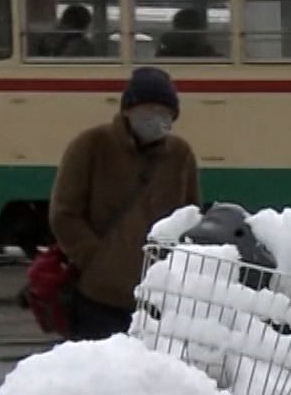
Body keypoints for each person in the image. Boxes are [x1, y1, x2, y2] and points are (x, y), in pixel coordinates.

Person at [49, 67, 202, 341]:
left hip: (155, 300)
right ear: (128, 111)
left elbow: (190, 217)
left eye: (165, 114)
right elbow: (65, 213)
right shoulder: (92, 145)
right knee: (99, 375)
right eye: (148, 110)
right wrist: (96, 260)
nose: (156, 119)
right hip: (98, 298)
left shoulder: (181, 155)